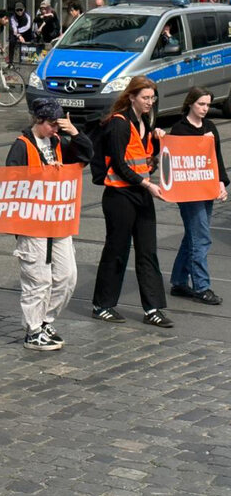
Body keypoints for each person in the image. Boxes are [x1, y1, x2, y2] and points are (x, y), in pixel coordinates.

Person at [5, 99, 93, 350]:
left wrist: (74, 132)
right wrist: (43, 174)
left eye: (58, 125)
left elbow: (86, 154)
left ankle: (45, 320)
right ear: (38, 121)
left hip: (58, 221)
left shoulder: (58, 142)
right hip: (32, 224)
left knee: (67, 277)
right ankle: (33, 329)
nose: (56, 129)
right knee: (38, 279)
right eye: (52, 125)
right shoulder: (21, 147)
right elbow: (11, 183)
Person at [91, 76, 171, 327]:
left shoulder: (144, 121)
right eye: (145, 98)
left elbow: (145, 158)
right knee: (117, 250)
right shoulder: (119, 124)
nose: (150, 102)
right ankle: (102, 305)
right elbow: (119, 163)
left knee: (148, 250)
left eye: (152, 98)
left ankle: (154, 308)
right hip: (120, 196)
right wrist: (147, 185)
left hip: (140, 193)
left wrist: (156, 141)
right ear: (132, 97)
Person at [168, 87, 228, 305]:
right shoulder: (180, 129)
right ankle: (202, 286)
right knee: (201, 237)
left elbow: (216, 157)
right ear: (191, 103)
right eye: (201, 104)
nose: (205, 109)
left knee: (193, 236)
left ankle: (179, 281)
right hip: (188, 193)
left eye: (208, 105)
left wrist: (221, 183)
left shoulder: (210, 126)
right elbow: (172, 160)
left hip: (206, 189)